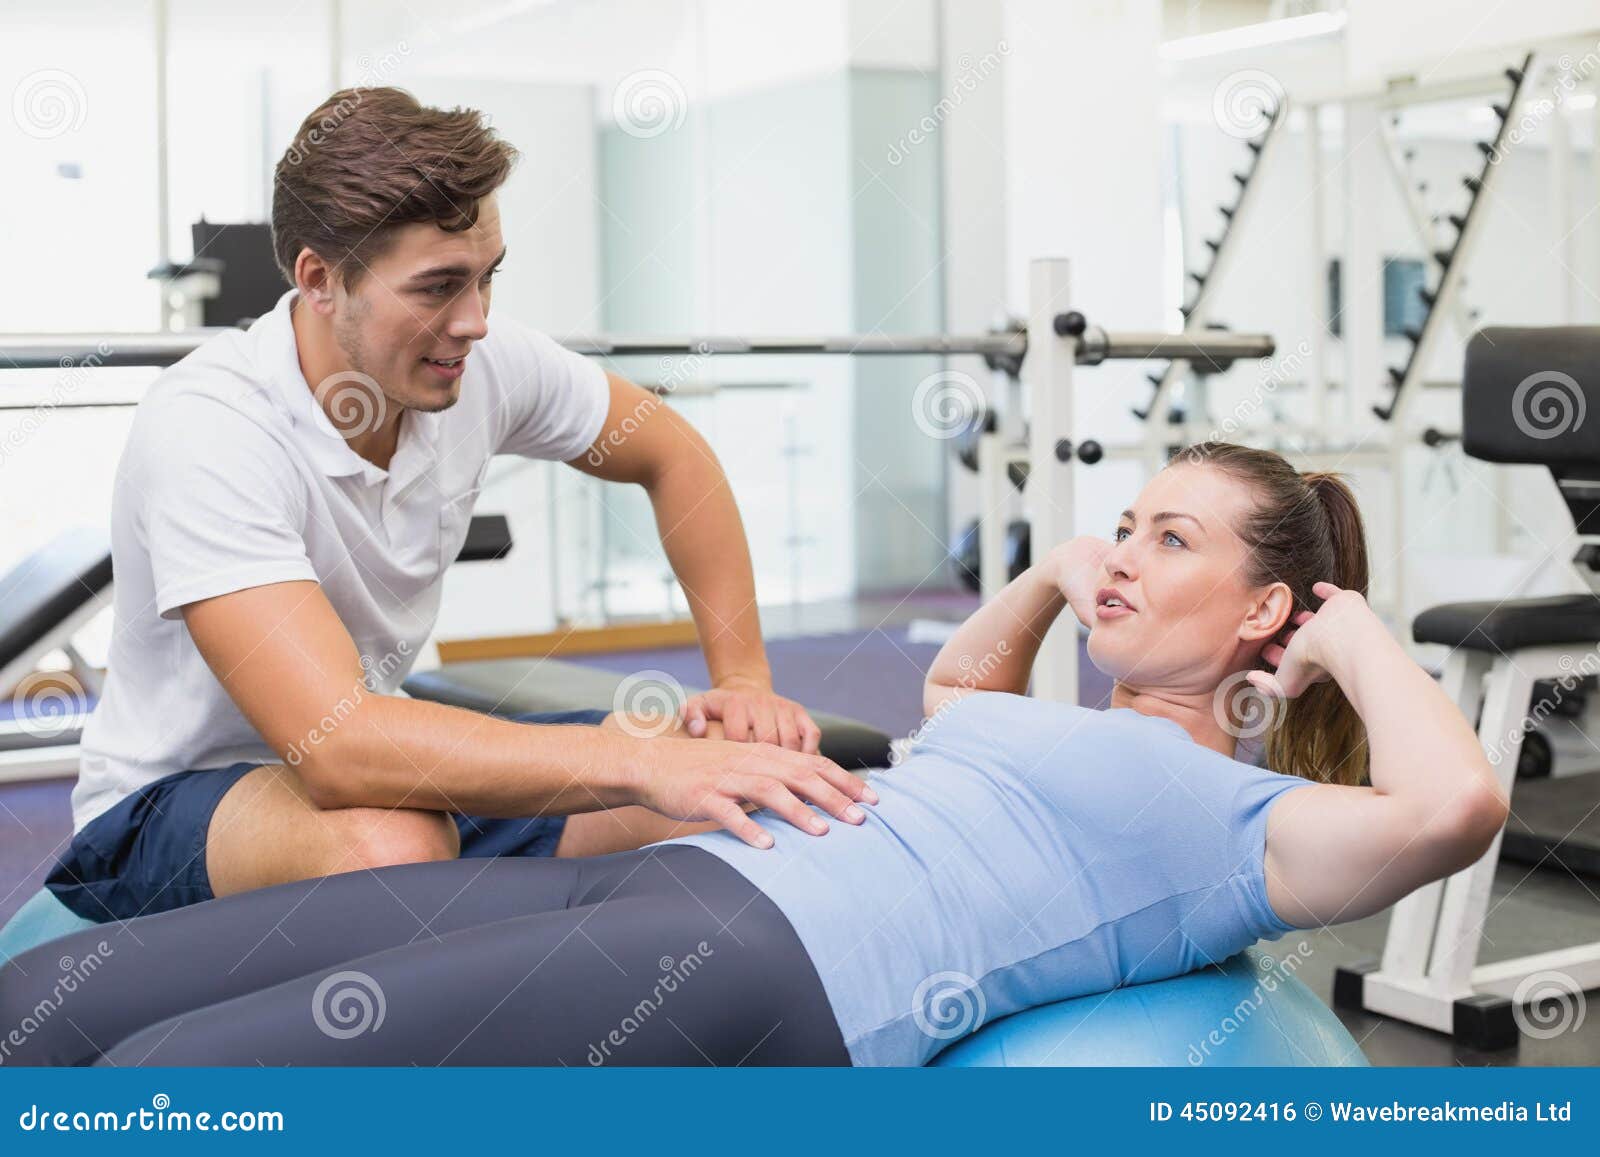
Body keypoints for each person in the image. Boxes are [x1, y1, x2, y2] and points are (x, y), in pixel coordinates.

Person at [3, 443, 1508, 1067]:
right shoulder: (1053, 723)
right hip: (680, 875)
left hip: (779, 965)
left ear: (1260, 608)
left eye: (1166, 542)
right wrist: (1064, 573)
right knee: (63, 1003)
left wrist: (1347, 628)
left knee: (176, 1074)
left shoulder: (1241, 822)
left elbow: (1456, 802)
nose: (1123, 555)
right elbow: (961, 679)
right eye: (1127, 520)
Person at [46, 86, 876, 928]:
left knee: (736, 774)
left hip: (384, 760)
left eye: (488, 278)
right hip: (171, 810)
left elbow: (673, 454)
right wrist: (628, 761)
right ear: (320, 280)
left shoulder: (477, 361)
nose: (475, 321)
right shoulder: (211, 426)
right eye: (439, 286)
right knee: (393, 844)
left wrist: (743, 683)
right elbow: (335, 747)